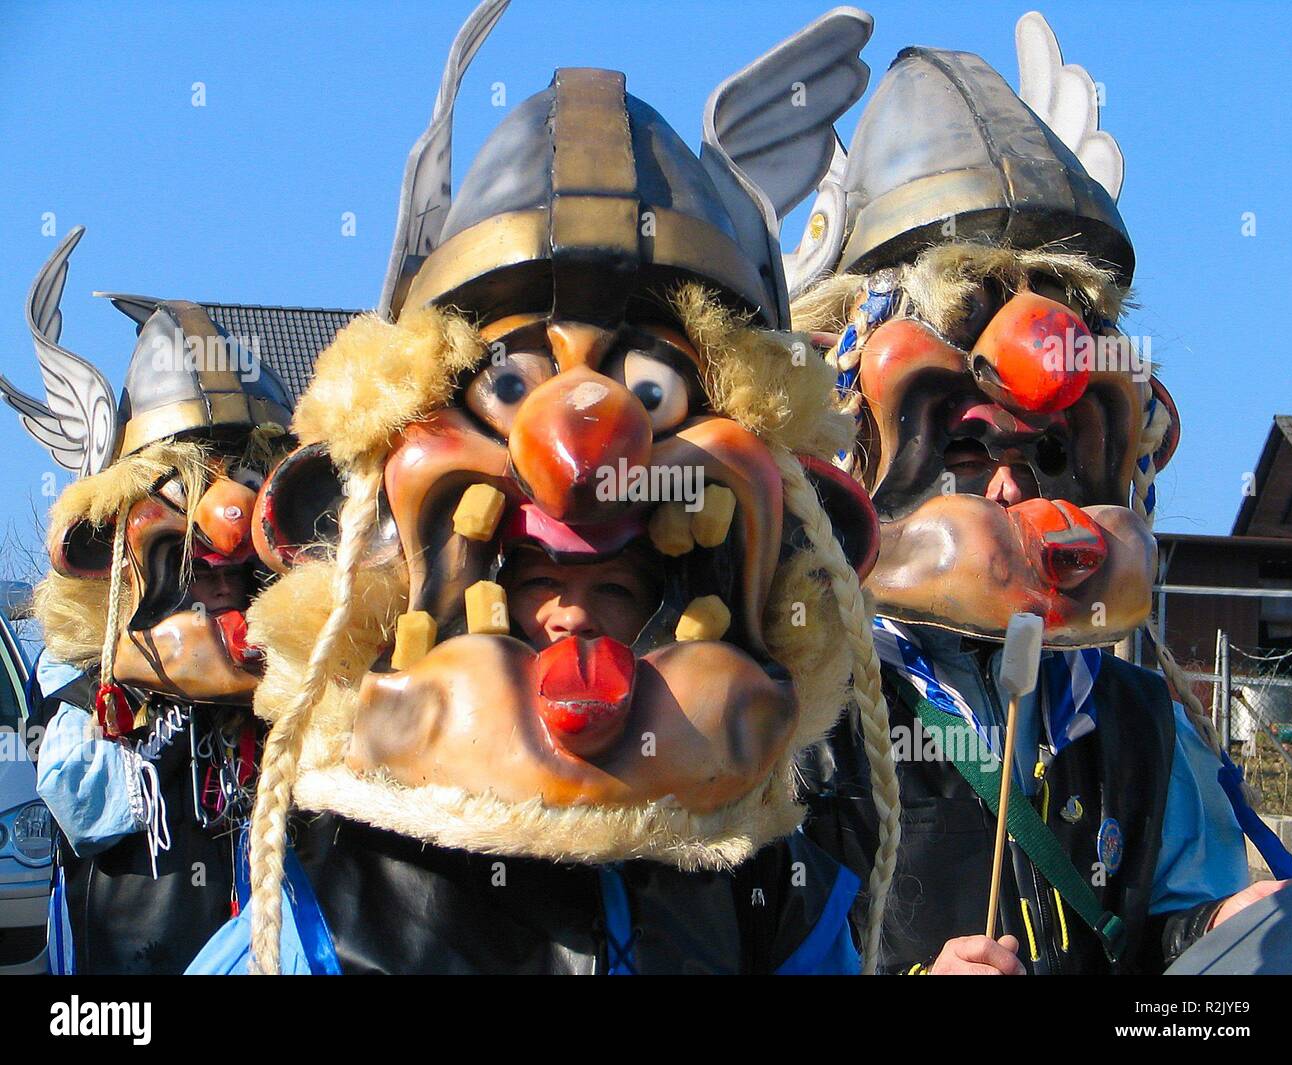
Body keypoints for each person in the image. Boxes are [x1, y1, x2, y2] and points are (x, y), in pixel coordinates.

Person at [188, 1, 892, 975]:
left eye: (614, 592)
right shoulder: (331, 904)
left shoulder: (772, 896)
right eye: (508, 382)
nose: (577, 448)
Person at [786, 12, 1292, 974]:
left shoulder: (1138, 722)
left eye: (1049, 453)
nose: (1016, 487)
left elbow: (1180, 954)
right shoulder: (795, 715)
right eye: (973, 456)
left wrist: (1240, 931)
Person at [2, 228, 294, 973]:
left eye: (236, 569)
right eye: (195, 566)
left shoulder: (297, 676)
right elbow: (85, 810)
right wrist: (164, 681)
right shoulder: (84, 676)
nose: (220, 579)